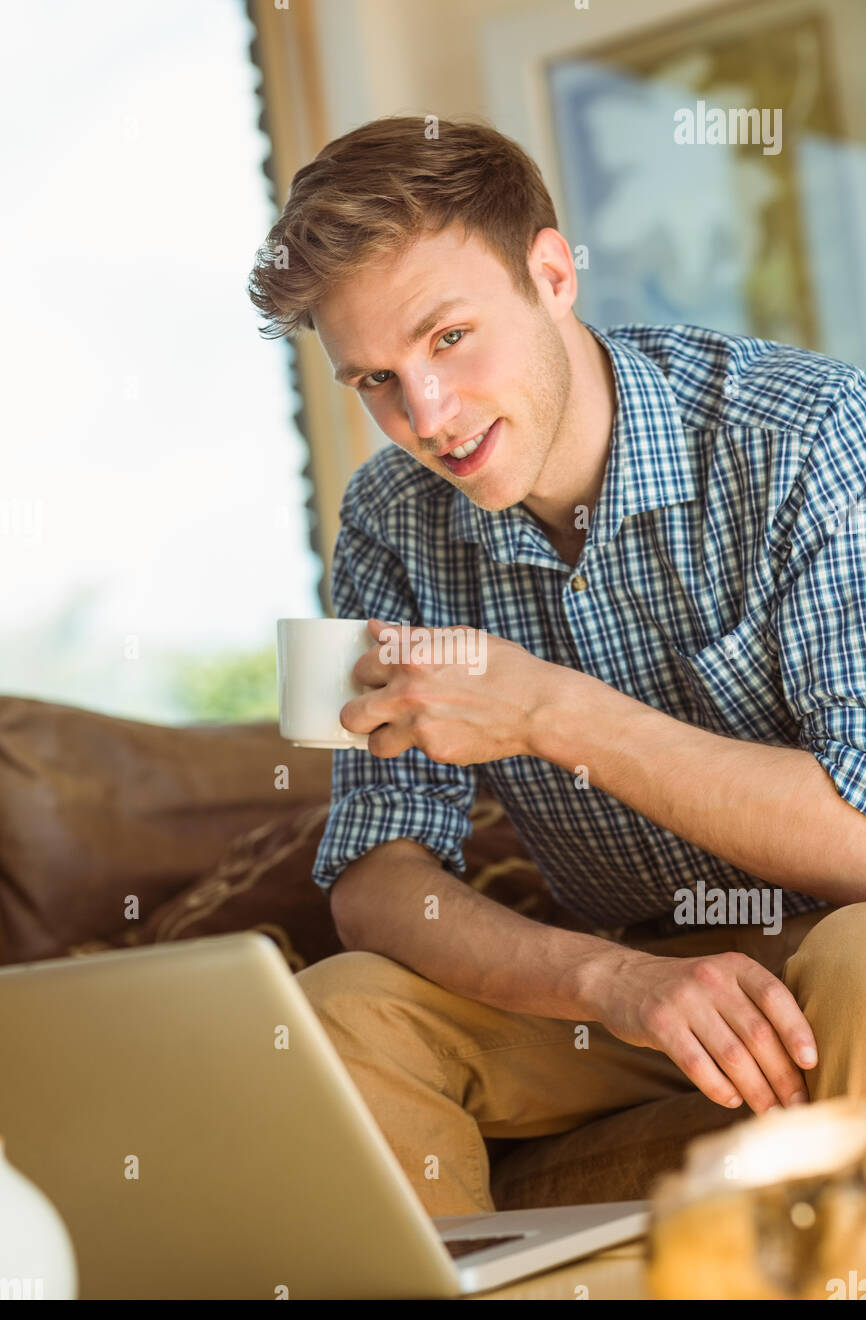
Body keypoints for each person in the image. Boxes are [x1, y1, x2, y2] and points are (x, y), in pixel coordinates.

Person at [248, 116, 866, 1216]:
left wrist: (545, 711)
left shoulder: (810, 437)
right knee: (344, 1009)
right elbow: (377, 878)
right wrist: (611, 981)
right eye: (375, 380)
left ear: (550, 271)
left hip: (835, 943)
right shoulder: (390, 523)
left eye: (447, 339)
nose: (424, 418)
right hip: (634, 975)